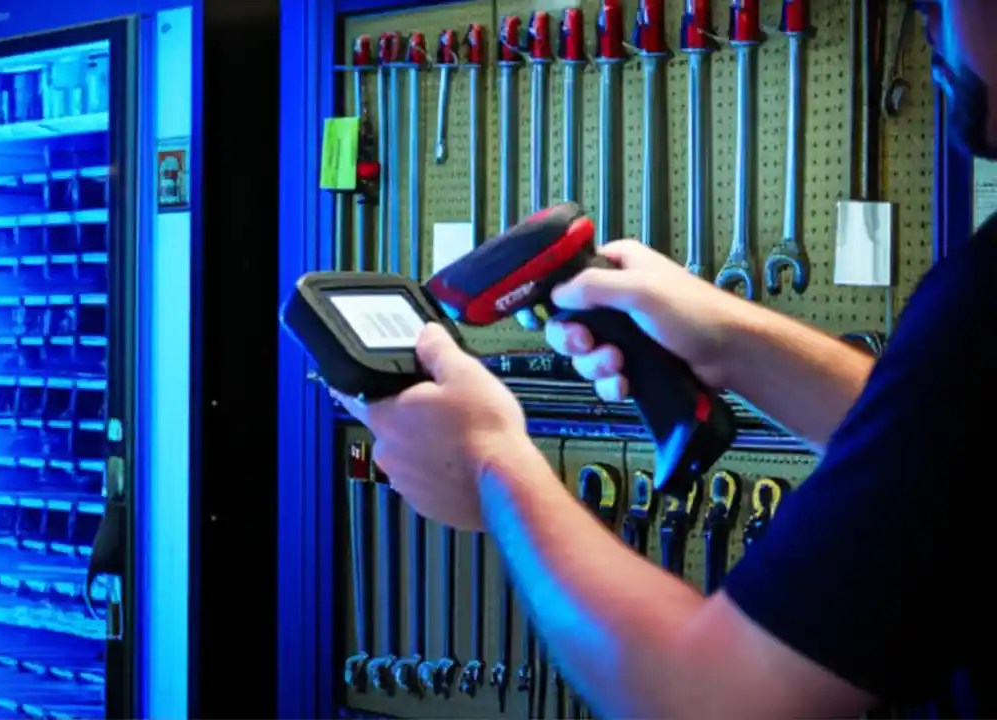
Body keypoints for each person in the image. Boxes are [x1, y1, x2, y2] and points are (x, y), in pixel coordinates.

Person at [335, 1, 996, 716]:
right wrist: (727, 339)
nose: (927, 15)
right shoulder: (977, 312)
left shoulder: (984, 303)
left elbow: (709, 698)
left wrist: (491, 464)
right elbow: (944, 452)